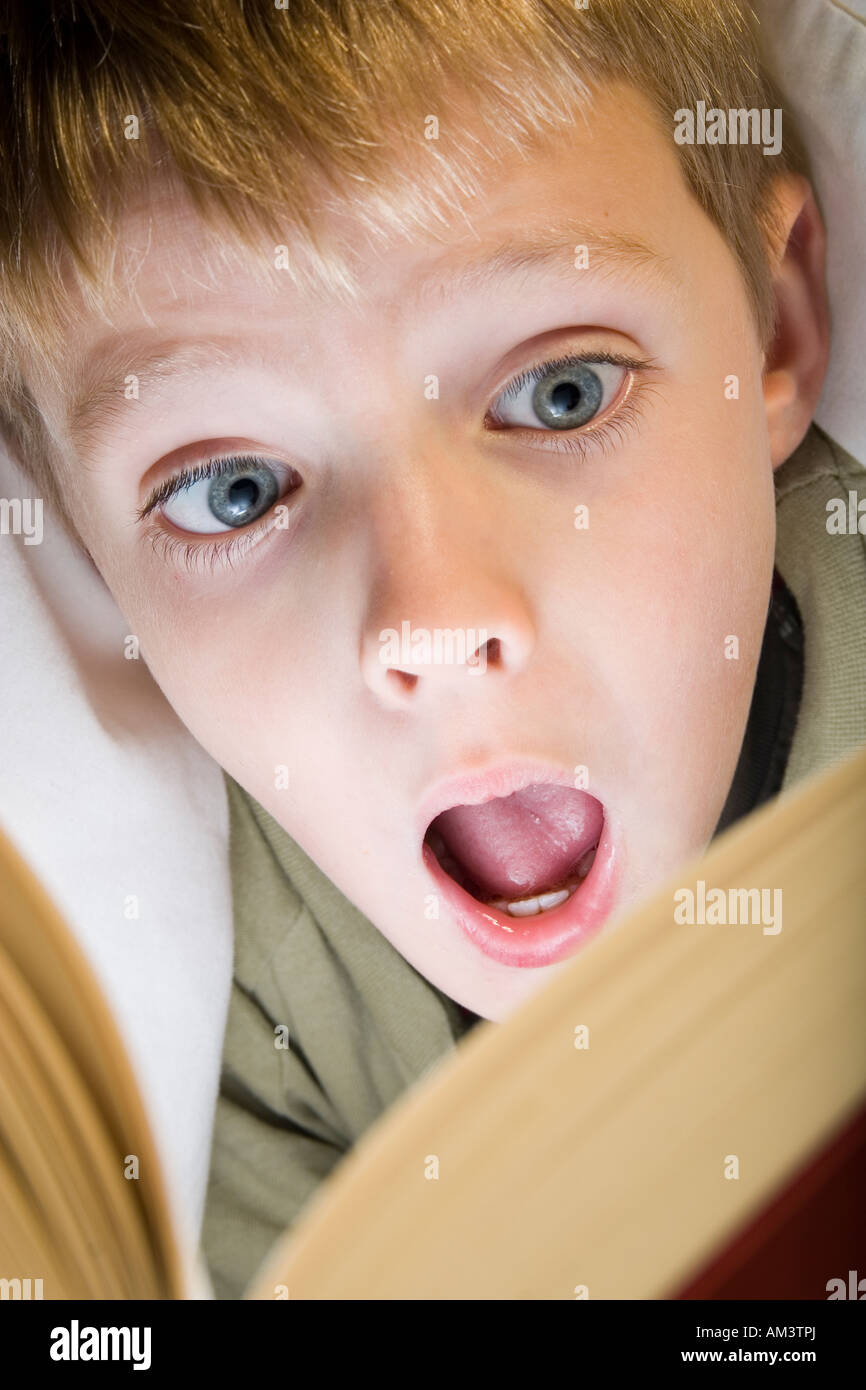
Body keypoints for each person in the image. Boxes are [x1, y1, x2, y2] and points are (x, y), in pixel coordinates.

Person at [0, 0, 863, 1298]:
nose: (430, 619)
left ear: (780, 332)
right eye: (233, 489)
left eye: (559, 390)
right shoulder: (199, 1049)